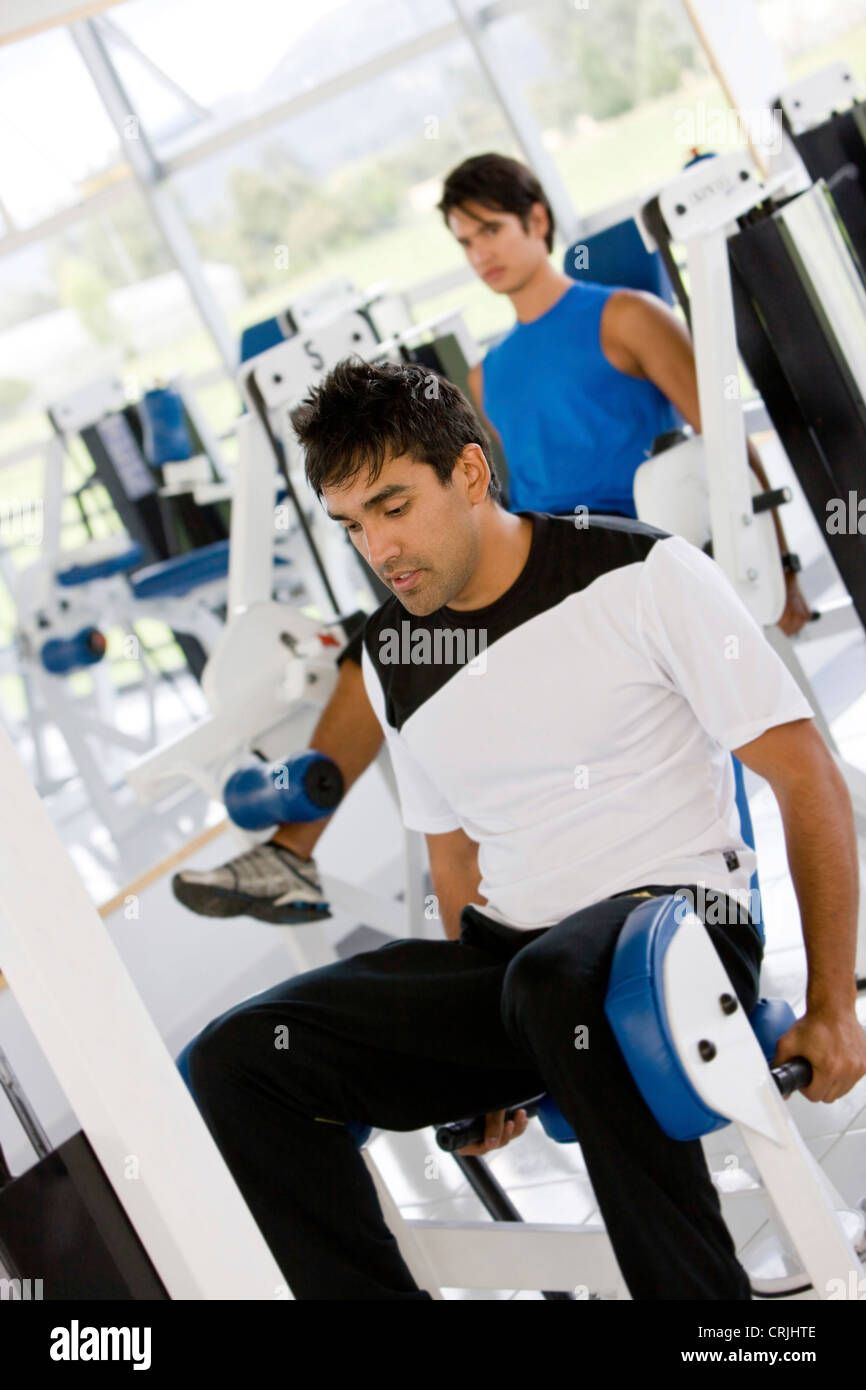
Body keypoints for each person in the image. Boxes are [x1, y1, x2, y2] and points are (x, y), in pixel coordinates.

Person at [184, 359, 865, 1300]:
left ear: (469, 473)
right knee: (236, 1061)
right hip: (516, 969)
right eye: (353, 526)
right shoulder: (394, 655)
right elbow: (455, 860)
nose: (378, 549)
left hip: (677, 932)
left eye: (393, 506)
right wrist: (487, 1058)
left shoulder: (639, 570)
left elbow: (810, 779)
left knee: (555, 983)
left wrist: (834, 1004)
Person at [173, 153, 812, 927]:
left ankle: (722, 946)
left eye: (491, 231)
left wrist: (778, 567)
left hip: (627, 557)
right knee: (381, 646)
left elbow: (725, 443)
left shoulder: (628, 316)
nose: (482, 255)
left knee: (696, 782)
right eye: (464, 242)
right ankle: (293, 853)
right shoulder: (486, 375)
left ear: (537, 221)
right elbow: (496, 503)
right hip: (533, 569)